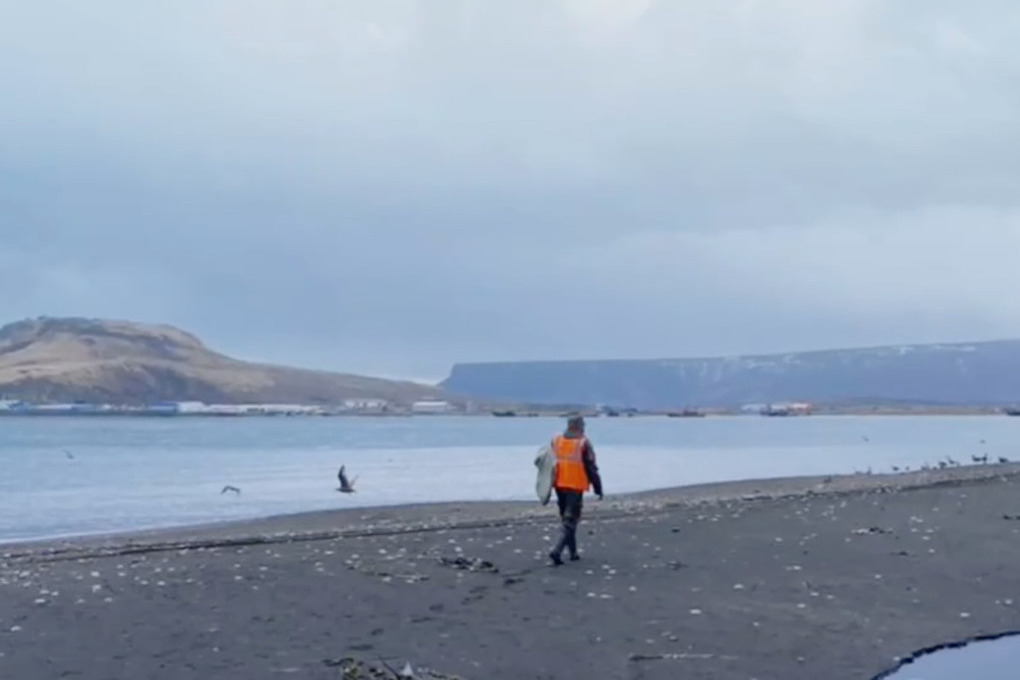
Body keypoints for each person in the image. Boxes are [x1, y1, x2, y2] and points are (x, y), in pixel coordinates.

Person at [548, 415, 603, 566]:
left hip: (559, 485)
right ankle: (557, 551)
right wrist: (598, 488)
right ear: (580, 426)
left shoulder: (557, 440)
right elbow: (591, 467)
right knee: (570, 520)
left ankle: (573, 553)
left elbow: (547, 462)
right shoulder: (583, 443)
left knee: (567, 519)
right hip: (575, 485)